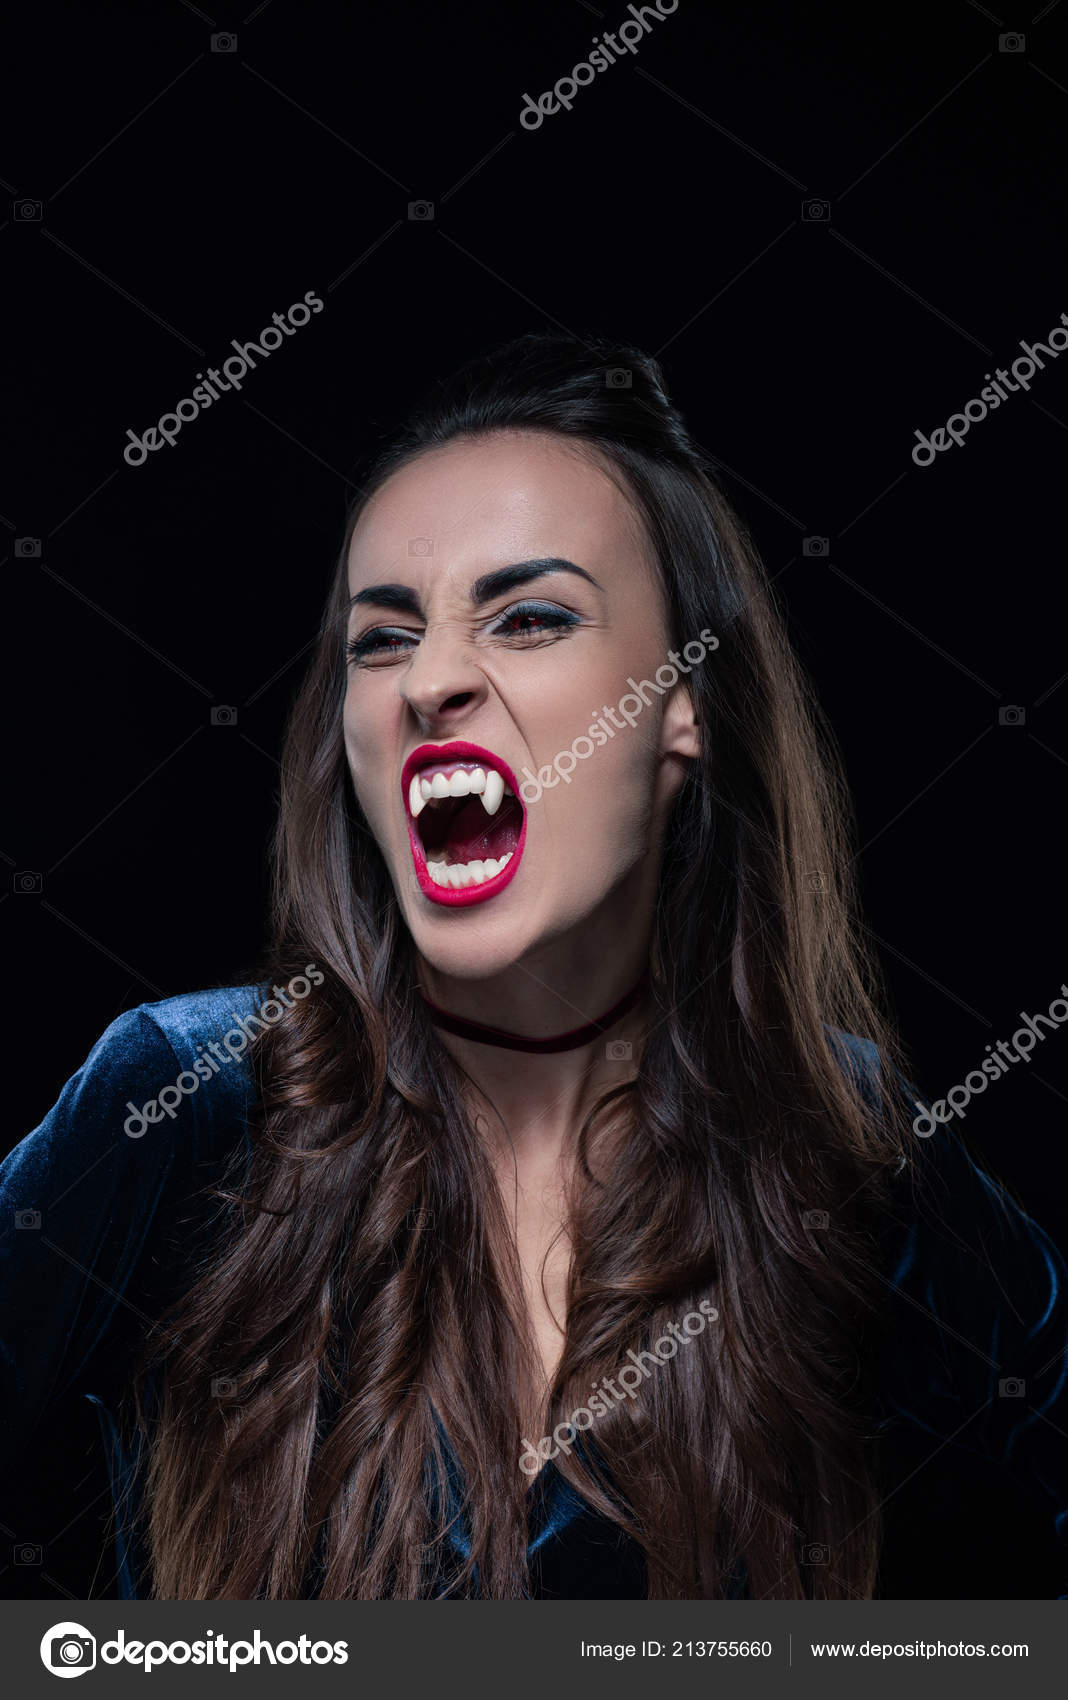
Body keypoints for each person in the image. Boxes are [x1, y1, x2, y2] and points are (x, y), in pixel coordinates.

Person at [3, 331, 1067, 1601]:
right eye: (381, 639)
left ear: (684, 708)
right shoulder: (187, 1098)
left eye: (532, 616)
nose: (435, 679)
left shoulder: (845, 1142)